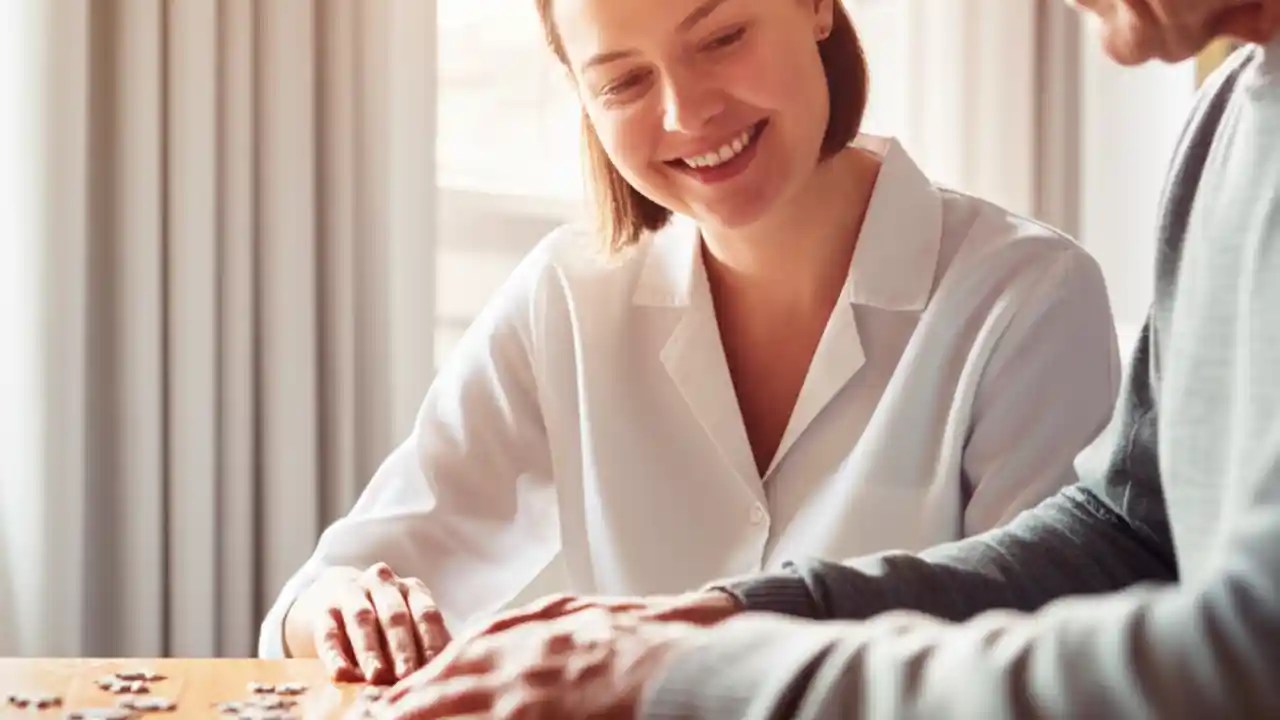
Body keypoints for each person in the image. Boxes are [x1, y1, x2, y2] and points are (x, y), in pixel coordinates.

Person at [366, 0, 1280, 718]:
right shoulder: (1225, 125)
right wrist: (734, 613)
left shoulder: (1024, 286)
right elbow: (1125, 535)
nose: (684, 110)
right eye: (621, 81)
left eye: (721, 36)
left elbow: (1248, 657)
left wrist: (700, 674)